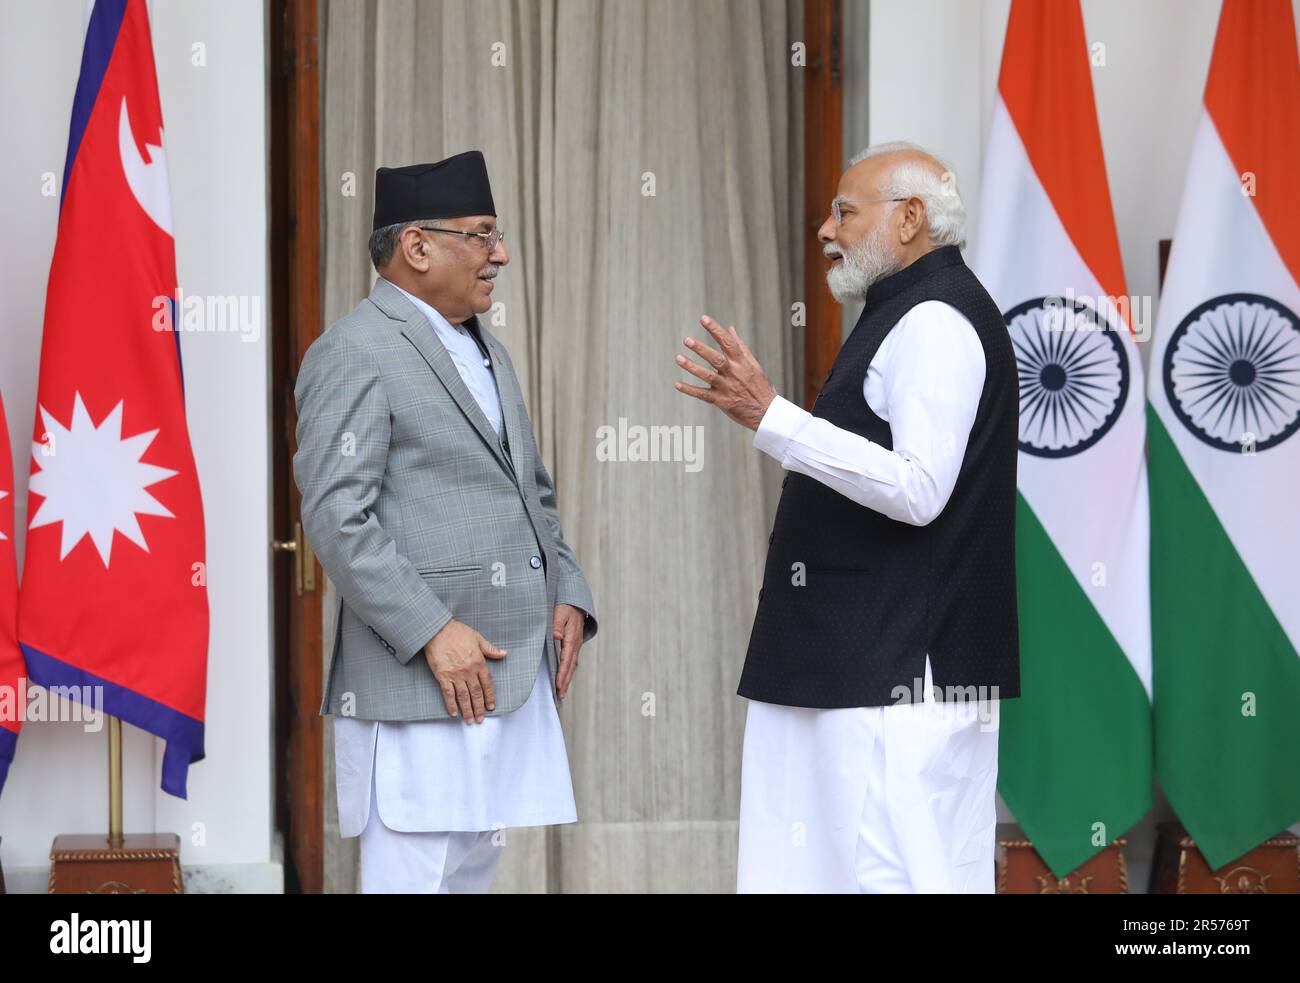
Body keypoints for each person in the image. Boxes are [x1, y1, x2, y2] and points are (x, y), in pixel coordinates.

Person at [674, 141, 1019, 893]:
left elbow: (922, 487)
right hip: (858, 668)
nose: (826, 230)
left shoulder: (934, 321)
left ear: (910, 220)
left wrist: (774, 418)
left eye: (845, 212)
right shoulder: (905, 311)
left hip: (894, 676)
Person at [293, 150, 596, 893]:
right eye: (482, 234)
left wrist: (569, 589)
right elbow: (336, 517)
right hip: (417, 686)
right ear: (417, 246)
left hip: (499, 678)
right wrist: (430, 628)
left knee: (467, 877)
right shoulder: (355, 350)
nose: (501, 254)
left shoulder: (487, 351)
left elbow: (533, 492)